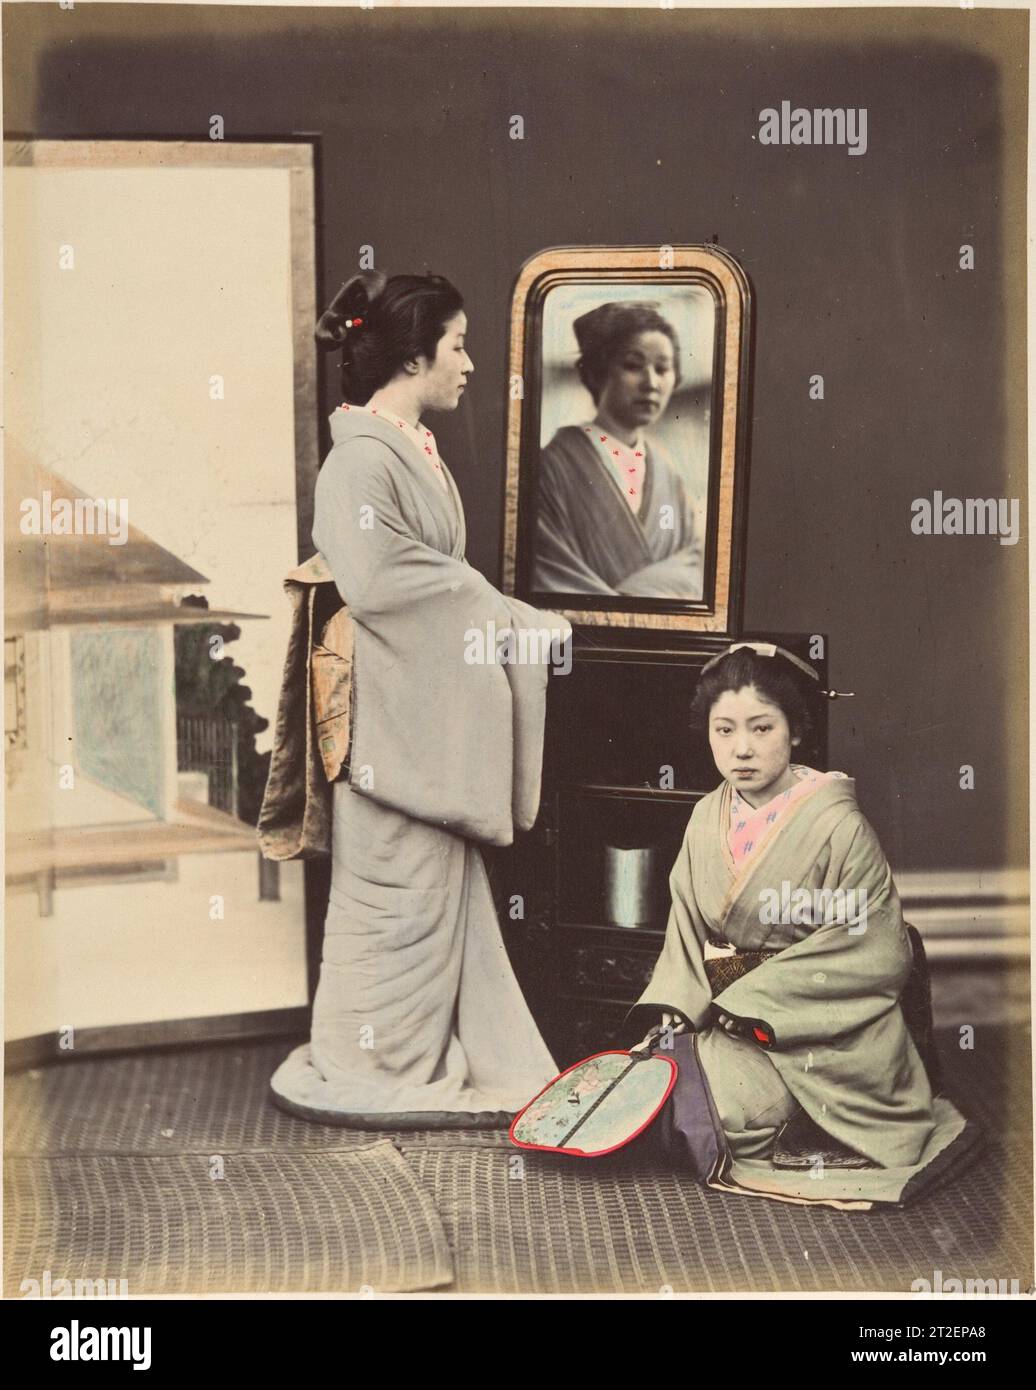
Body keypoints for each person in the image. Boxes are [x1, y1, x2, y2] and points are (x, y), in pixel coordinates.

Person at [269, 270, 568, 1126]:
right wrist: (493, 608)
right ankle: (375, 1062)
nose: (471, 363)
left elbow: (426, 578)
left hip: (418, 708)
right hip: (390, 722)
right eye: (460, 345)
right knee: (389, 897)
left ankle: (422, 1049)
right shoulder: (359, 462)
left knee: (432, 892)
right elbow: (379, 581)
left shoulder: (404, 446)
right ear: (412, 356)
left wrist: (490, 608)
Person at [626, 642, 982, 1207]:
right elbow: (687, 928)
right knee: (654, 1087)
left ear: (795, 732)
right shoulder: (704, 817)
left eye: (762, 728)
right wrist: (678, 1004)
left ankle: (814, 1122)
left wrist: (755, 998)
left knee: (714, 1114)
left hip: (824, 1032)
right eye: (724, 730)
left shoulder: (837, 824)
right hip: (731, 1016)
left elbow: (876, 946)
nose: (741, 749)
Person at [532, 301, 704, 599]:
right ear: (599, 372)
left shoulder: (668, 476)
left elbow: (695, 565)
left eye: (663, 368)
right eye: (633, 366)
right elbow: (547, 571)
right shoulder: (553, 465)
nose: (651, 382)